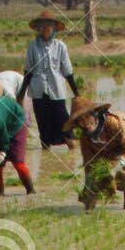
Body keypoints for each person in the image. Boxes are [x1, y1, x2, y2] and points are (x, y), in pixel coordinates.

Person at [63, 95, 125, 211]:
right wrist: (88, 185)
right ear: (78, 124)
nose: (85, 122)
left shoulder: (112, 123)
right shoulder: (85, 138)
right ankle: (90, 210)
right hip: (109, 144)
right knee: (96, 179)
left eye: (87, 116)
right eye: (80, 120)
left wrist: (115, 167)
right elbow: (89, 163)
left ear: (94, 114)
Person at [18, 8, 79, 150]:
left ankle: (72, 151)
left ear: (54, 28)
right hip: (39, 92)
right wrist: (21, 94)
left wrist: (77, 93)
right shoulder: (33, 46)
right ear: (39, 28)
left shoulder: (60, 46)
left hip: (56, 91)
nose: (46, 29)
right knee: (43, 124)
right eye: (43, 26)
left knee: (64, 123)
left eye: (49, 25)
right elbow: (28, 71)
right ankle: (45, 149)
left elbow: (68, 72)